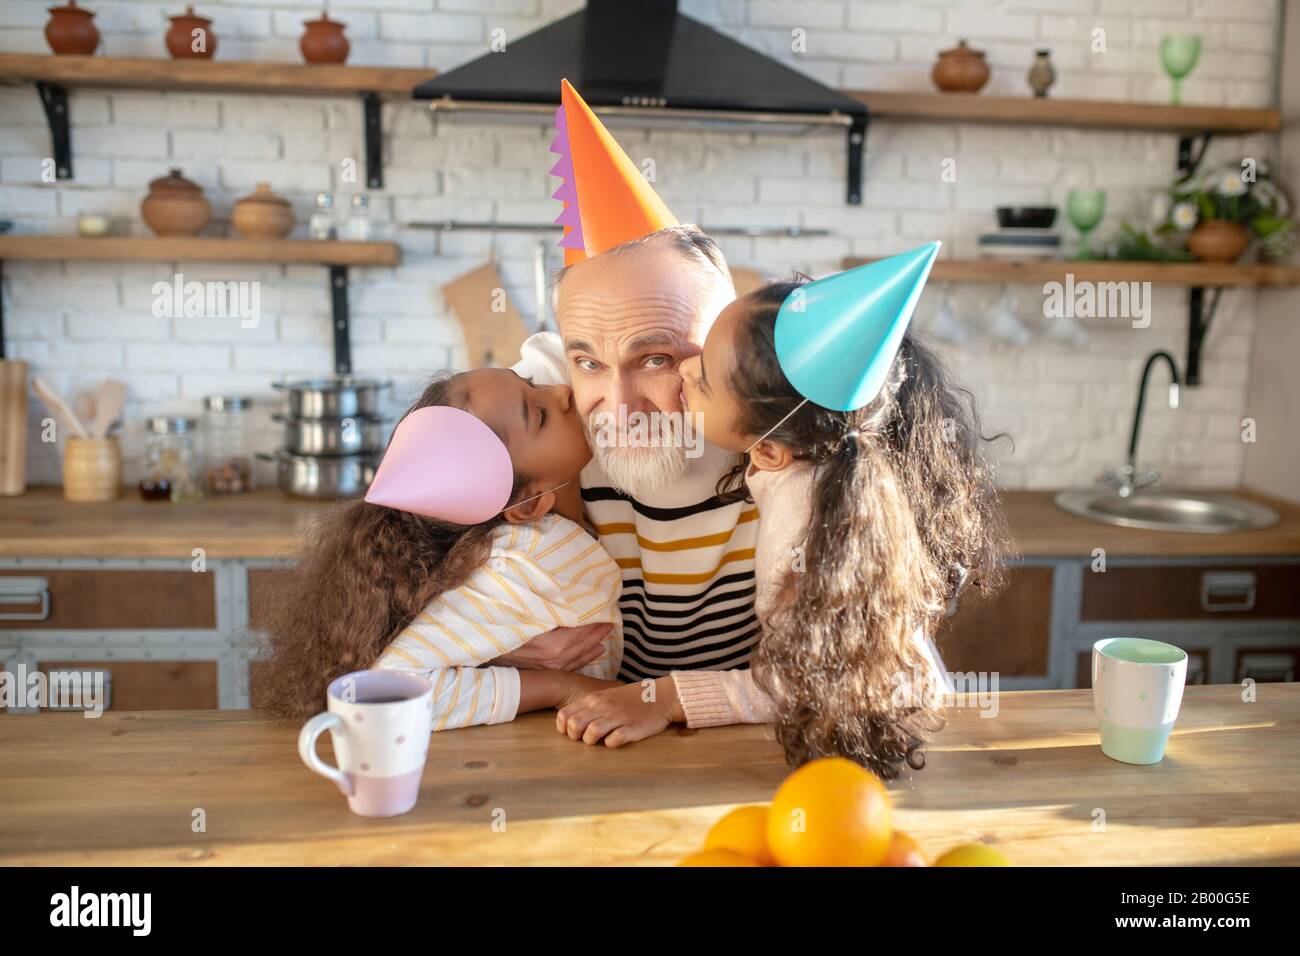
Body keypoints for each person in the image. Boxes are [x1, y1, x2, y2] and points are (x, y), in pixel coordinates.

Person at [556, 249, 1010, 779]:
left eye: (668, 360)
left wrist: (669, 699)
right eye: (588, 363)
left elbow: (858, 677)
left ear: (766, 451)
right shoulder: (799, 435)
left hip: (812, 772)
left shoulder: (805, 508)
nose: (622, 404)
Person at [255, 369, 622, 725]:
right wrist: (565, 688)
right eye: (540, 416)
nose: (562, 389)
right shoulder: (536, 560)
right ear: (527, 504)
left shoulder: (538, 539)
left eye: (531, 383)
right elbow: (383, 694)